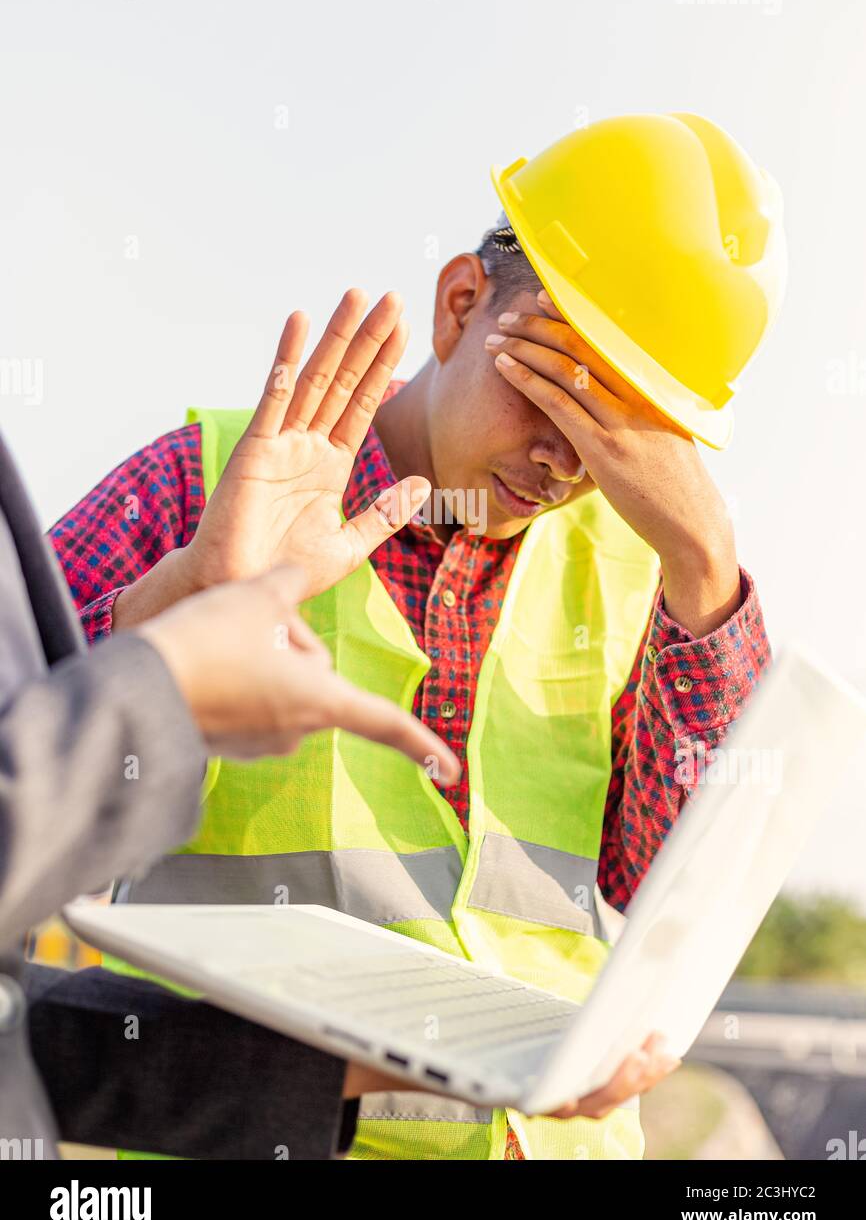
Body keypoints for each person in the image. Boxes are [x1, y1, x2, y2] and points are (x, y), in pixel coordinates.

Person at [50, 113, 783, 1160]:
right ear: (459, 306)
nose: (564, 463)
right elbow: (17, 789)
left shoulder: (646, 589)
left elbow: (675, 908)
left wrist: (706, 570)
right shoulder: (208, 489)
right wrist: (184, 606)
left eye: (622, 432)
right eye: (559, 394)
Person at [0, 421, 462, 1160]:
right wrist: (163, 686)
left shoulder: (623, 565)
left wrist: (324, 1072)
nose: (566, 452)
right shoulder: (188, 475)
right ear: (461, 304)